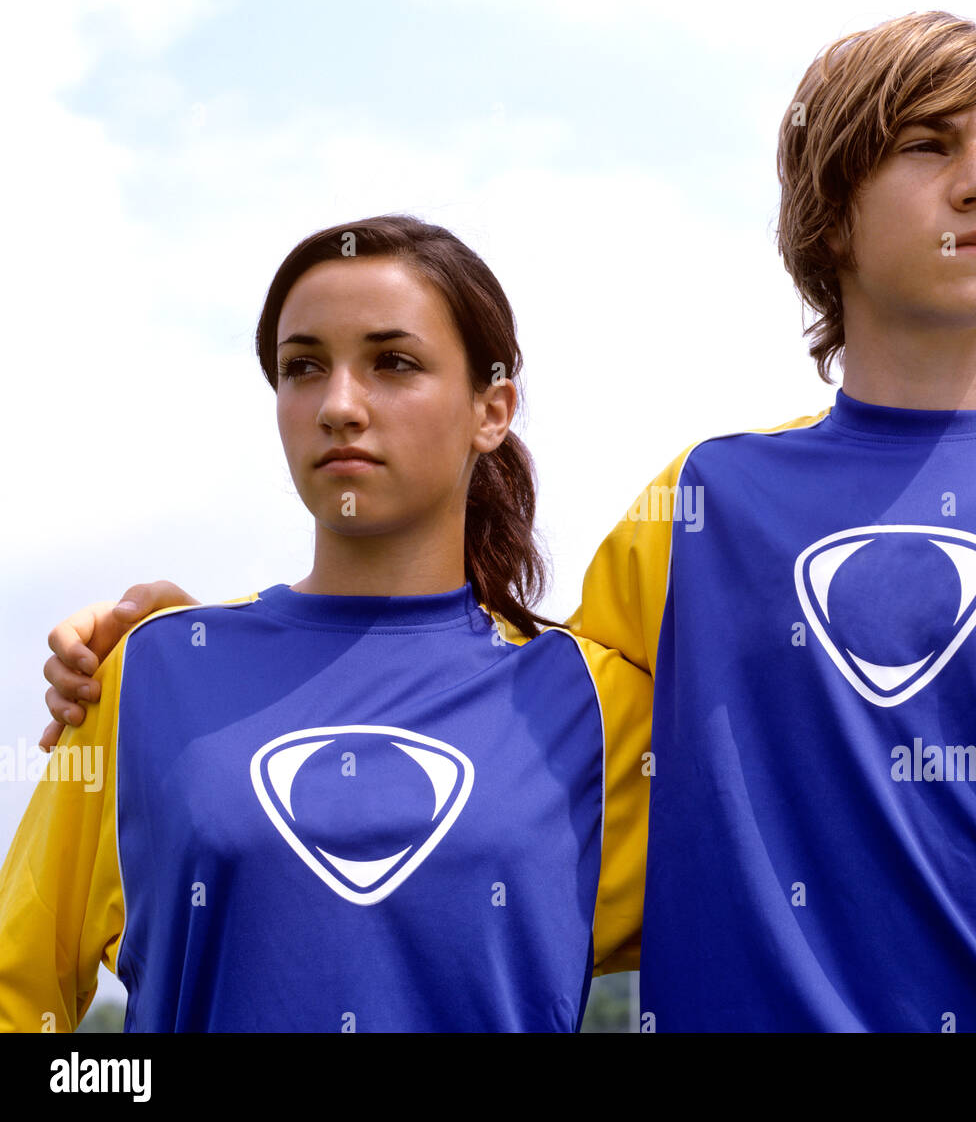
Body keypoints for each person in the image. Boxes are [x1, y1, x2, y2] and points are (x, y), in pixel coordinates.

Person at [36, 12, 976, 1032]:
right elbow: (474, 717)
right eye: (928, 144)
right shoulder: (696, 511)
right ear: (828, 210)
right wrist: (183, 656)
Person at [1, 215, 649, 1032]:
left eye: (394, 363)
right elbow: (18, 1002)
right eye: (303, 367)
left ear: (492, 410)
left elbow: (803, 903)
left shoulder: (597, 708)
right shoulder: (144, 675)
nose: (339, 405)